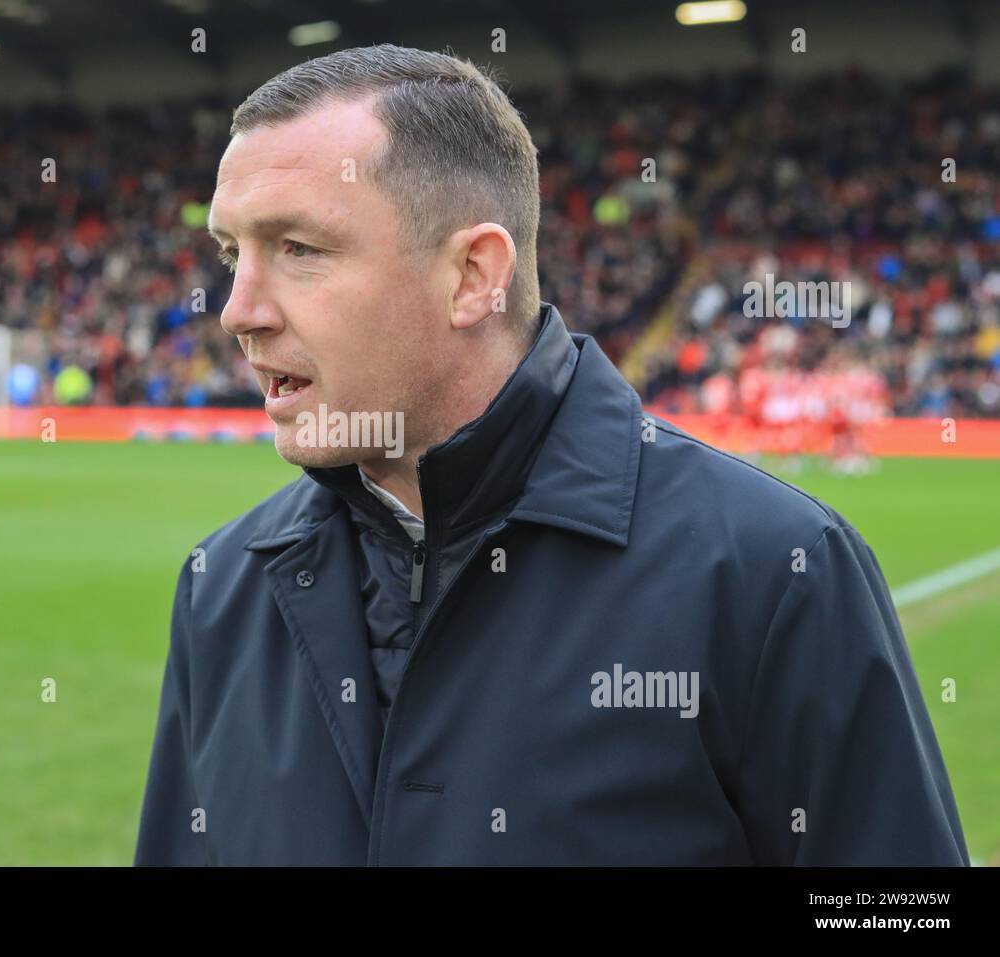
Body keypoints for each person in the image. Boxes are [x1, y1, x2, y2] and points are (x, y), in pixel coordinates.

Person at [134, 44, 968, 866]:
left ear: (473, 276)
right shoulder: (224, 590)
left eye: (299, 250)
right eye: (229, 253)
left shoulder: (770, 571)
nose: (237, 310)